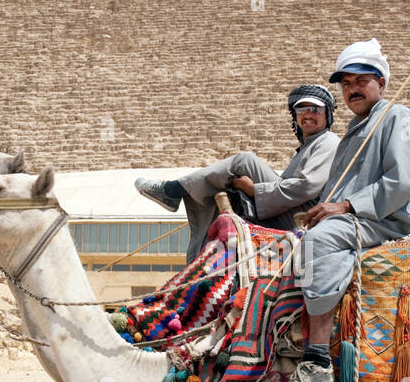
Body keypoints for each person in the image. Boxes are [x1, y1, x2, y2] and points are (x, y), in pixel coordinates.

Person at [271, 39, 410, 382]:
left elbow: (405, 181)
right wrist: (324, 206)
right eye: (345, 83)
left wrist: (344, 206)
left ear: (382, 83)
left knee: (320, 241)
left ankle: (318, 361)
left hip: (387, 222)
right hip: (358, 214)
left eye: (361, 80)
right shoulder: (356, 131)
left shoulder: (397, 118)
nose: (352, 89)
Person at [135, 86, 340, 261]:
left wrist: (253, 190)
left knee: (245, 161)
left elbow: (305, 186)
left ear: (327, 113)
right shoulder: (309, 146)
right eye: (301, 109)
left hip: (302, 218)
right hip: (288, 209)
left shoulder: (328, 141)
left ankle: (172, 190)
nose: (308, 114)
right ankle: (199, 253)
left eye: (315, 109)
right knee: (226, 191)